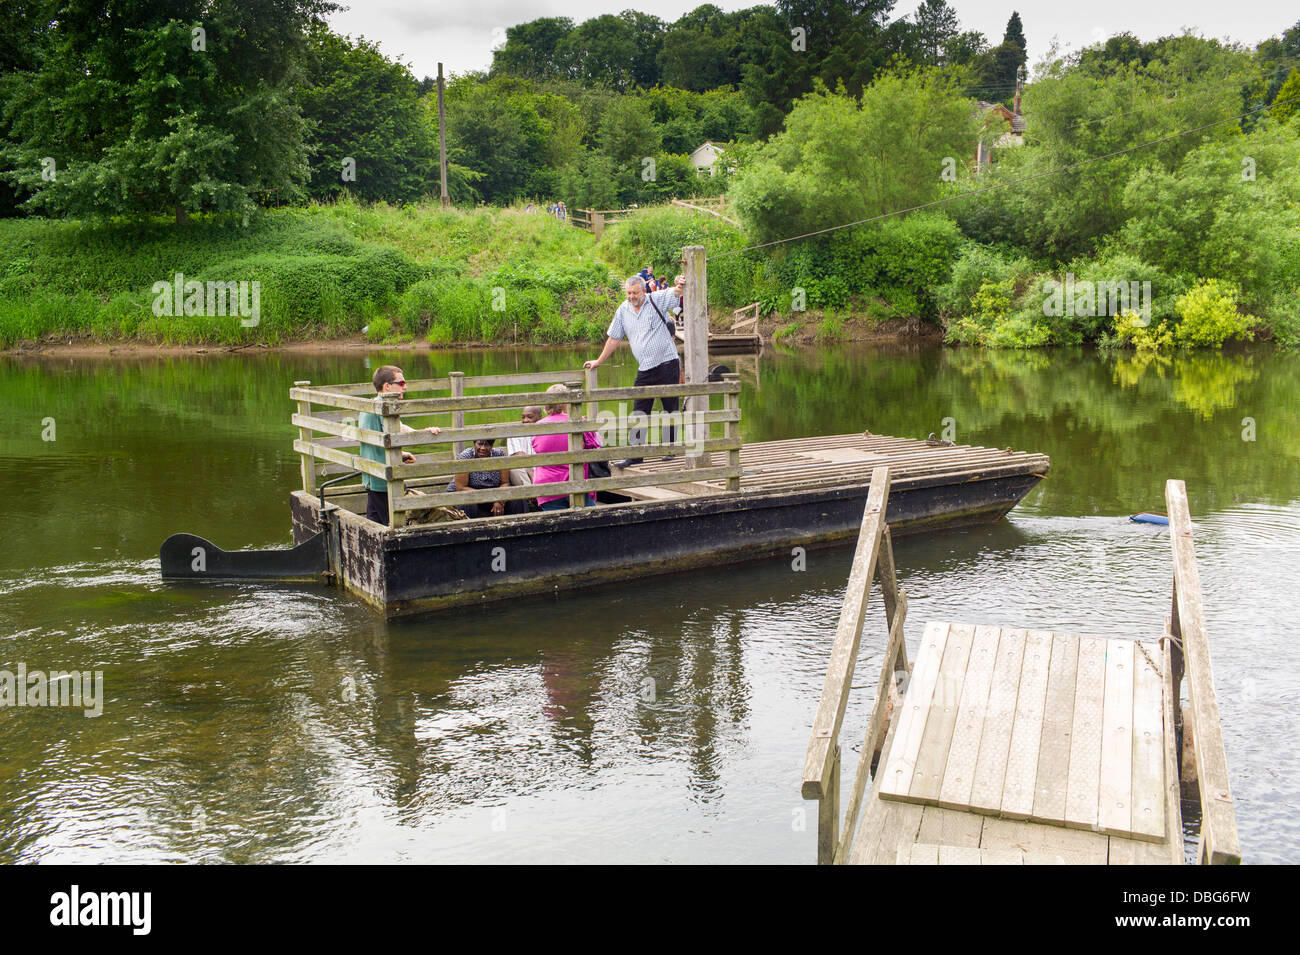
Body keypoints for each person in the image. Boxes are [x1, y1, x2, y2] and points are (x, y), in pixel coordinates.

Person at [584, 273, 687, 468]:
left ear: (643, 291)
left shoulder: (655, 298)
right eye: (629, 293)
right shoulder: (623, 310)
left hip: (667, 362)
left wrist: (680, 282)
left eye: (635, 293)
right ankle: (636, 454)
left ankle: (669, 449)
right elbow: (614, 338)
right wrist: (599, 361)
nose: (631, 296)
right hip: (645, 368)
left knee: (670, 406)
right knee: (639, 410)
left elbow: (676, 291)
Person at [358, 365, 442, 525]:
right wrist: (424, 434)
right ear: (387, 386)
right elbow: (397, 434)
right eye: (401, 383)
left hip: (372, 476)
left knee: (374, 522)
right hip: (384, 479)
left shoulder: (371, 405)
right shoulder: (384, 407)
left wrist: (404, 452)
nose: (405, 387)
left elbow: (396, 431)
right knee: (394, 524)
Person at [532, 385, 600, 511]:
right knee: (587, 523)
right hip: (578, 482)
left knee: (558, 525)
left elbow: (537, 449)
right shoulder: (580, 422)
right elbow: (596, 448)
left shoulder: (538, 426)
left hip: (548, 487)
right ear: (567, 403)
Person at [446, 438, 524, 517]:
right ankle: (471, 529)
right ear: (474, 444)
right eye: (480, 444)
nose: (483, 448)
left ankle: (520, 527)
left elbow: (505, 483)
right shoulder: (465, 457)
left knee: (518, 500)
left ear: (491, 446)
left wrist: (500, 500)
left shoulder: (499, 455)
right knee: (468, 503)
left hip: (493, 496)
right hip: (469, 495)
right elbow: (461, 488)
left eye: (487, 445)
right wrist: (492, 497)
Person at [506, 405, 544, 485]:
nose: (525, 420)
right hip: (524, 471)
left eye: (530, 417)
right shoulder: (514, 433)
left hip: (543, 470)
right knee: (515, 468)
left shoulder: (547, 432)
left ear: (540, 418)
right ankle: (531, 494)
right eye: (523, 417)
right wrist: (531, 474)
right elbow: (519, 456)